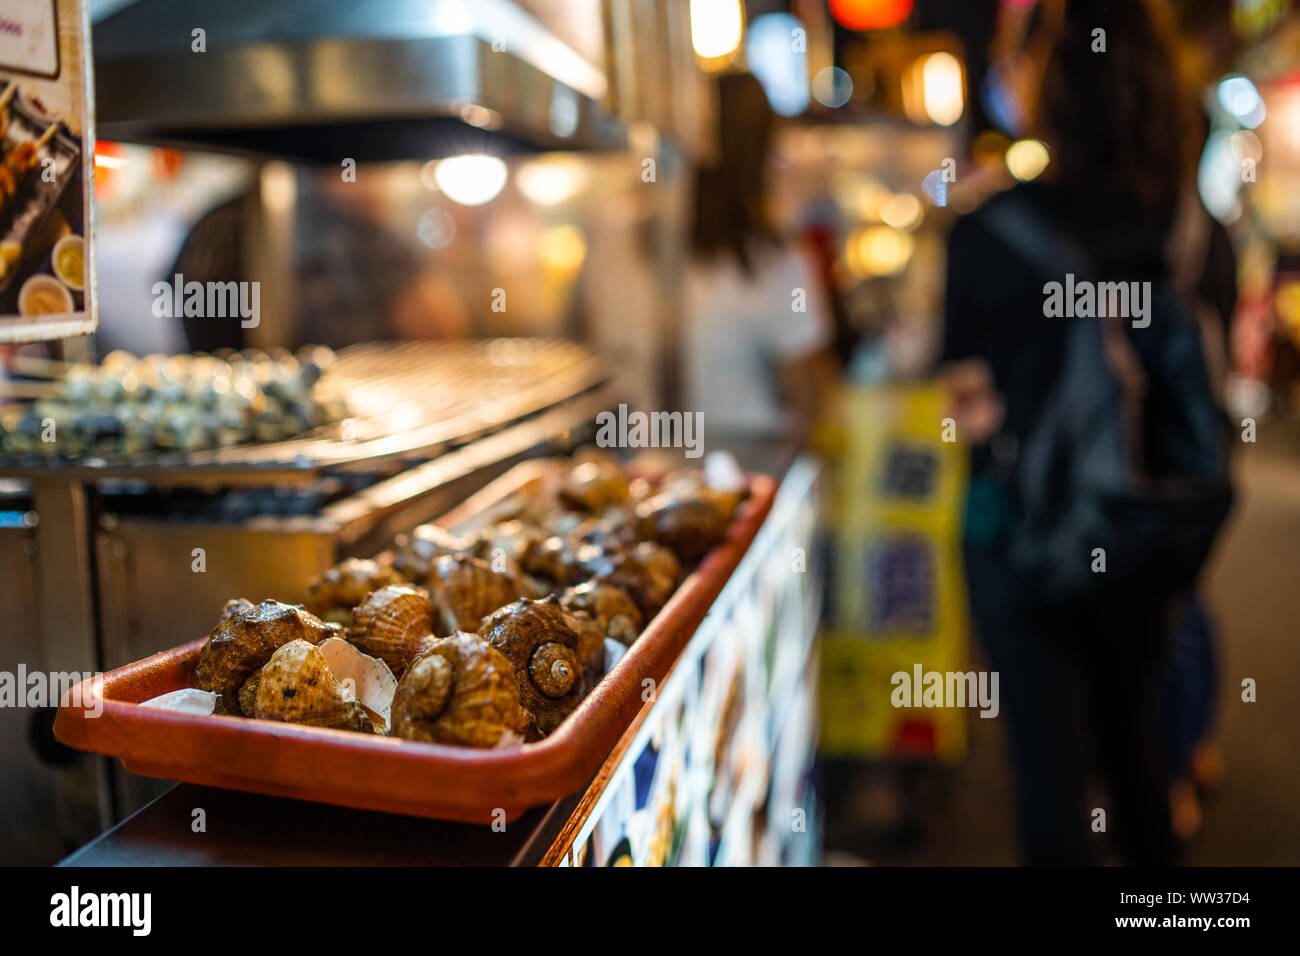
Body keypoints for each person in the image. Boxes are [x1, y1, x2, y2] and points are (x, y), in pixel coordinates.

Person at [939, 0, 1223, 865]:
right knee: (1134, 746)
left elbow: (965, 401)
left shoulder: (988, 232)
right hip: (1150, 529)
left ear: (1049, 89)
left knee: (1047, 773)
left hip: (1025, 535)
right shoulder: (1195, 230)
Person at [682, 72, 835, 449]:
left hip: (645, 456)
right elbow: (809, 393)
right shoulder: (772, 259)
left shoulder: (646, 242)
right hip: (749, 461)